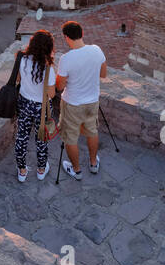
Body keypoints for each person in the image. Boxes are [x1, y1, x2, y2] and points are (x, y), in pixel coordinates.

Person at [55, 20, 107, 179]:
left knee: (70, 138)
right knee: (92, 131)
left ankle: (76, 170)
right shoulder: (97, 50)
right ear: (82, 33)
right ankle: (93, 164)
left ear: (66, 37)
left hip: (72, 104)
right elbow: (103, 74)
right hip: (92, 101)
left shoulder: (66, 59)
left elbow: (59, 86)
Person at [13, 30, 57, 182]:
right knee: (41, 138)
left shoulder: (21, 58)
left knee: (22, 137)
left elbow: (18, 79)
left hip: (24, 103)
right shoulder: (48, 68)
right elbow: (51, 95)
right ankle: (41, 170)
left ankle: (22, 171)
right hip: (41, 108)